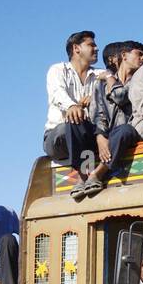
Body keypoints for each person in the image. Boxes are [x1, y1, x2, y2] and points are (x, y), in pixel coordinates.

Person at [70, 42, 143, 200]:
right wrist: (100, 135)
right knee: (76, 123)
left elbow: (121, 96)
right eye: (138, 54)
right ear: (124, 56)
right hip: (105, 135)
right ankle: (83, 174)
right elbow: (98, 112)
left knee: (124, 130)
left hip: (126, 134)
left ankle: (98, 173)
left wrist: (110, 77)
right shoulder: (101, 83)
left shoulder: (139, 81)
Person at [44, 31, 102, 183]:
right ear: (76, 48)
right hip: (58, 139)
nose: (96, 49)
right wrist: (73, 106)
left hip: (88, 136)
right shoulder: (58, 70)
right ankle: (84, 175)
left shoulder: (99, 75)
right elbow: (57, 93)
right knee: (74, 119)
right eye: (91, 45)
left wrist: (96, 97)